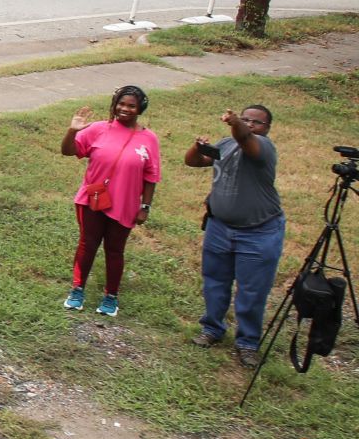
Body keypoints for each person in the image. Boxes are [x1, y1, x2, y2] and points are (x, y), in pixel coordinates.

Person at [186, 104, 284, 365]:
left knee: (252, 291)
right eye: (247, 119)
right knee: (215, 282)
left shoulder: (263, 147)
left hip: (258, 232)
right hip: (220, 227)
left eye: (257, 122)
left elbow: (245, 137)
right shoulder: (226, 144)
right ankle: (212, 329)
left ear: (267, 129)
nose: (251, 124)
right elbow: (193, 162)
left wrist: (236, 123)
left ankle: (248, 343)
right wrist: (198, 147)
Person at [59, 86, 162, 317]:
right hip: (92, 201)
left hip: (125, 205)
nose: (125, 109)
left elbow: (151, 177)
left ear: (140, 109)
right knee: (87, 244)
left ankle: (111, 296)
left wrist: (145, 207)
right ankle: (77, 290)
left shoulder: (149, 139)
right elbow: (67, 151)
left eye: (131, 105)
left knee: (115, 250)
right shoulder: (97, 129)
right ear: (115, 104)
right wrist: (71, 131)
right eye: (121, 104)